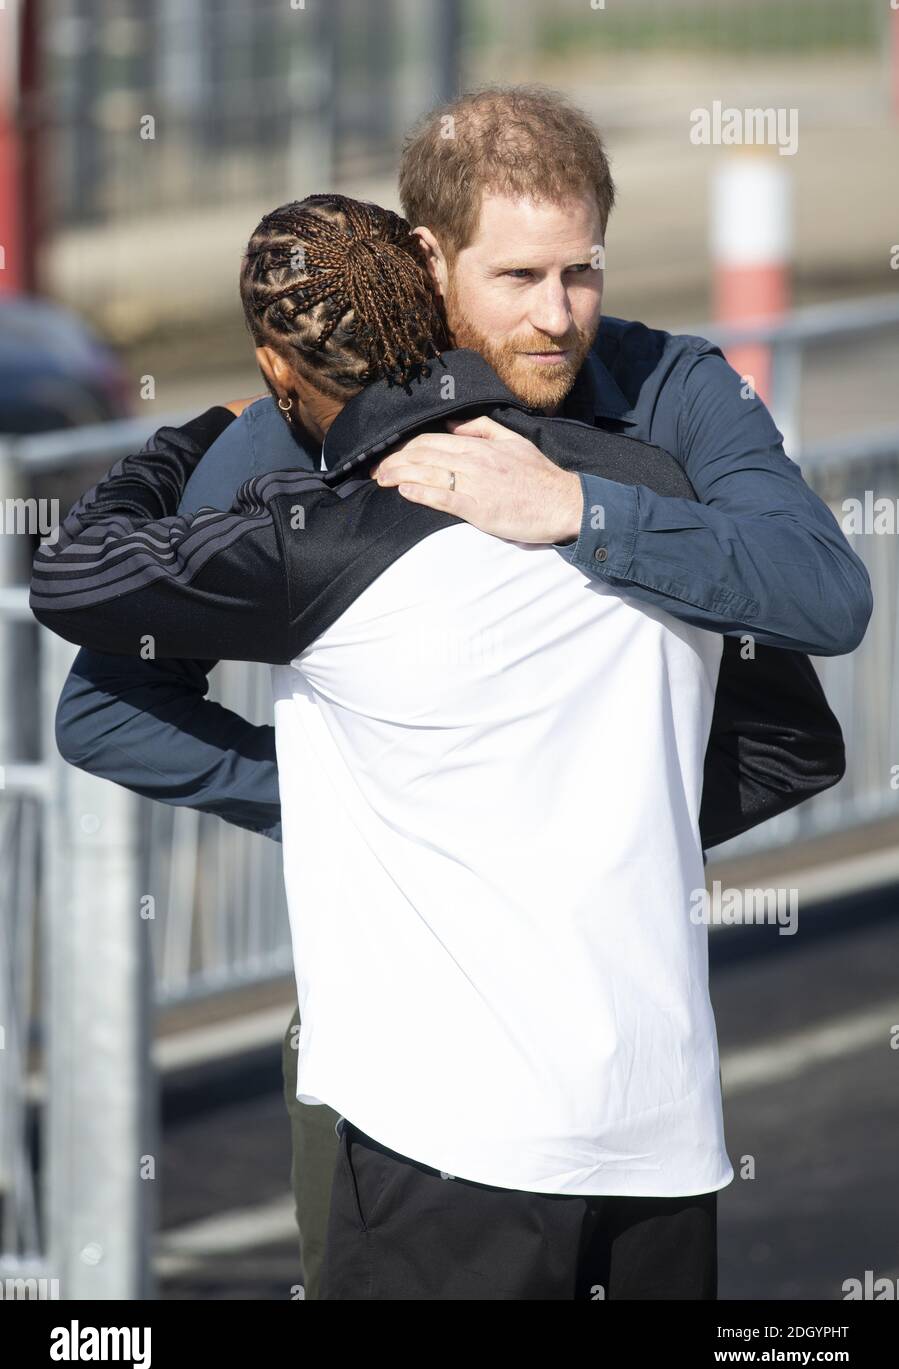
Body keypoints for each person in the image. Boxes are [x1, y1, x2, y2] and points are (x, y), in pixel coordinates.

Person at [32, 179, 862, 1298]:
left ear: (281, 374)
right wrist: (601, 812)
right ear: (439, 295)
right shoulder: (650, 493)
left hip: (436, 1141)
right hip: (659, 1134)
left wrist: (182, 447)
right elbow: (793, 743)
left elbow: (82, 613)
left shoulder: (305, 539)